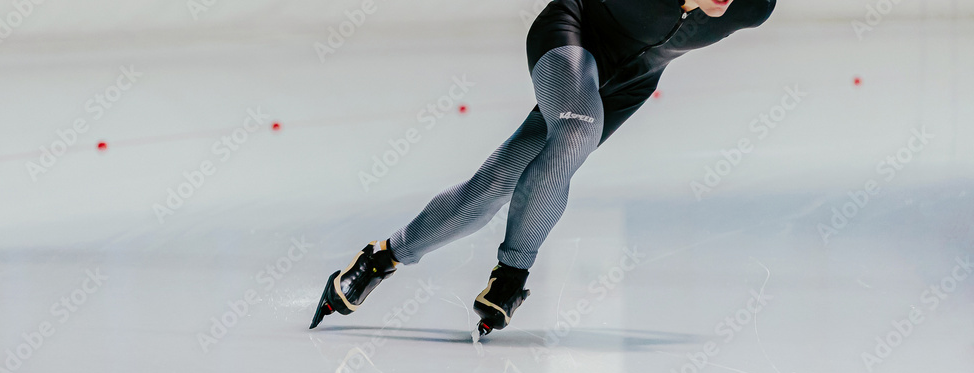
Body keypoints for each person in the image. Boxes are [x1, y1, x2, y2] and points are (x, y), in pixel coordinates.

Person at [311, 0, 776, 336]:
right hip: (572, 38)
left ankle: (380, 257)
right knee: (577, 127)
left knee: (496, 182)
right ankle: (512, 273)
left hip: (630, 83)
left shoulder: (754, 7)